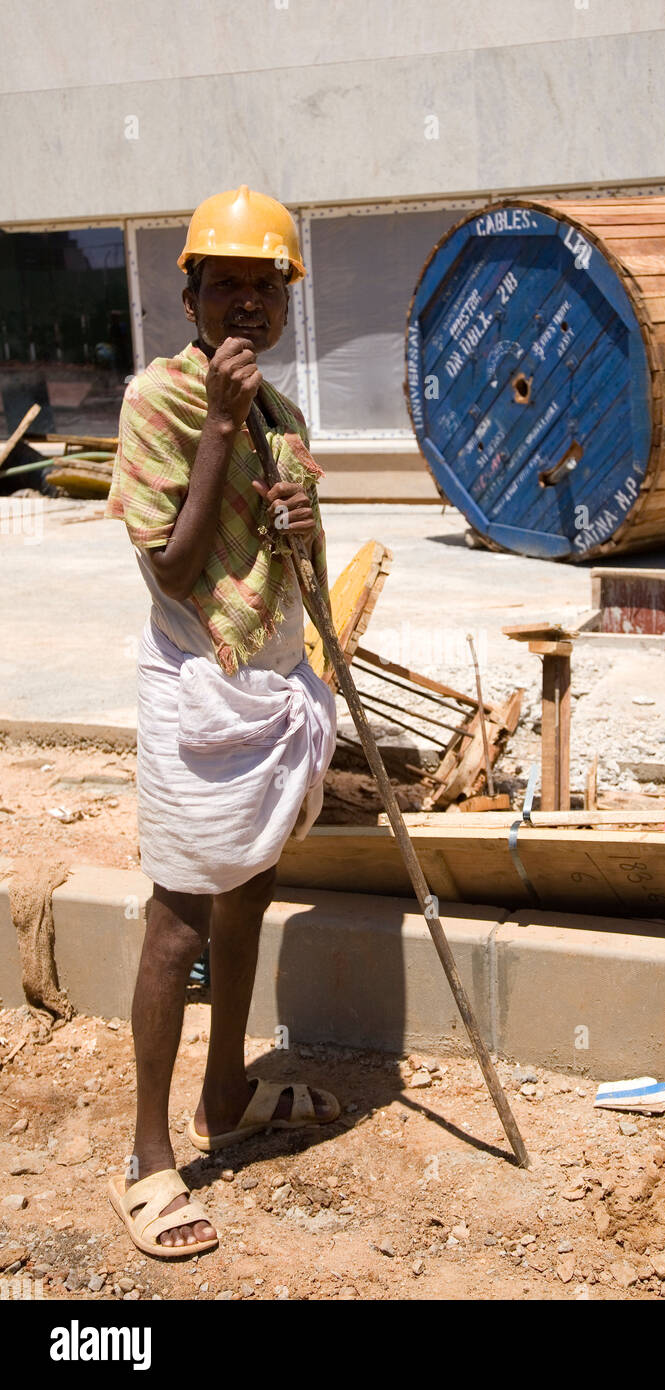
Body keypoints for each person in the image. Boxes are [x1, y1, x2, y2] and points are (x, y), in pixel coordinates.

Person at [104, 187, 340, 1258]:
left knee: (251, 891)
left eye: (265, 284)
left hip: (271, 681)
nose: (246, 302)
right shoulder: (161, 400)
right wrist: (215, 427)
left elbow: (303, 577)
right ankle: (151, 1156)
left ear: (284, 298)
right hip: (199, 688)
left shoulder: (285, 420)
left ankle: (225, 1090)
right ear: (189, 293)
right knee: (178, 918)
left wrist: (301, 522)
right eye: (226, 284)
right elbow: (175, 562)